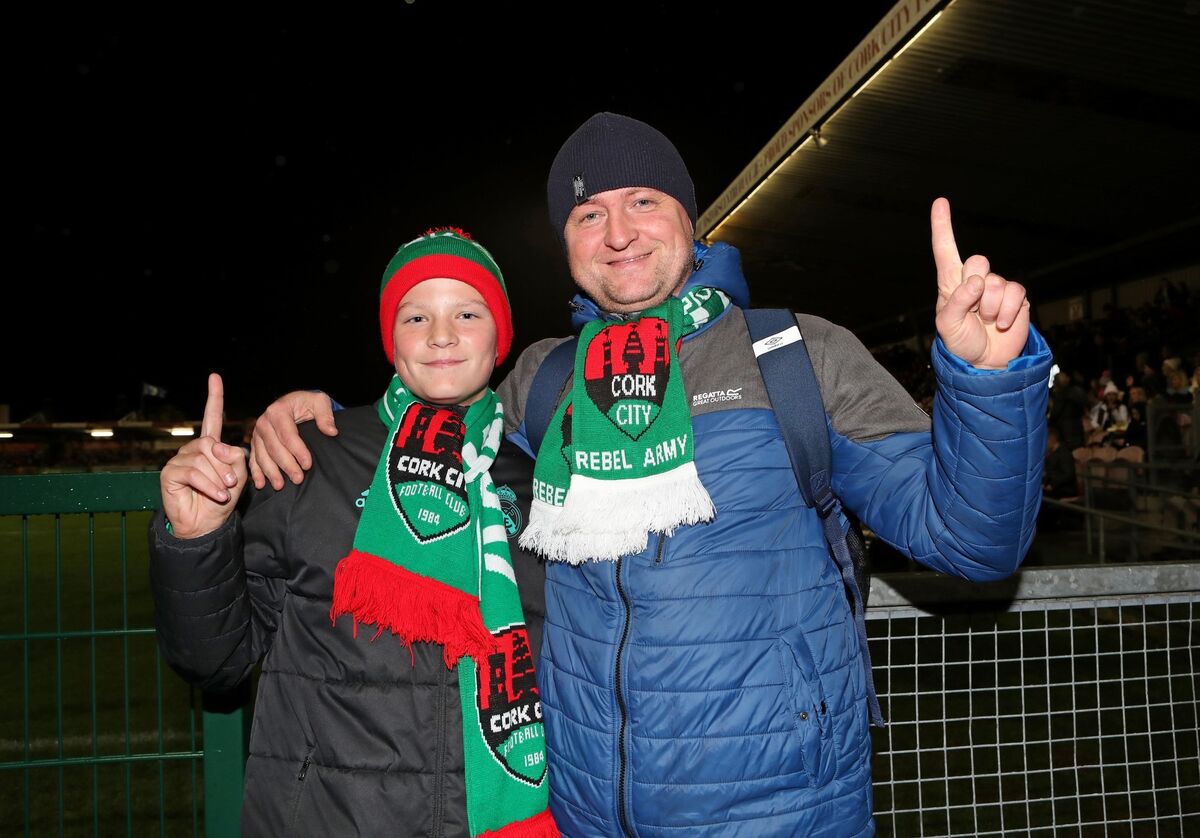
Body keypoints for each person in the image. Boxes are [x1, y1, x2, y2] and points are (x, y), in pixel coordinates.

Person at [249, 113, 1052, 836]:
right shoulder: (543, 380)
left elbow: (971, 542)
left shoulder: (798, 357)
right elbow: (440, 419)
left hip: (780, 810)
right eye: (588, 213)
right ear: (567, 246)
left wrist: (988, 384)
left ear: (689, 222)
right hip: (589, 810)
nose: (618, 232)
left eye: (643, 202)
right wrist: (317, 418)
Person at [149, 229, 558, 837]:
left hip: (502, 818)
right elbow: (218, 662)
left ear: (501, 336)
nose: (441, 335)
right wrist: (197, 541)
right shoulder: (308, 458)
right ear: (390, 339)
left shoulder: (539, 482)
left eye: (467, 313)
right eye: (416, 315)